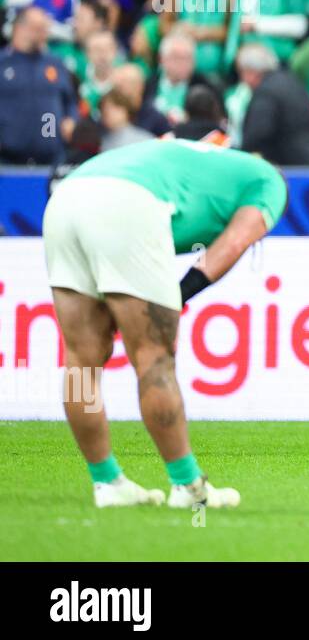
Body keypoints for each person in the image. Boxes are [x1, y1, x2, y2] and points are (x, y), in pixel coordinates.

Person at [42, 138, 287, 509]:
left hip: (67, 195)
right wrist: (179, 294)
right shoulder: (270, 180)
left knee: (81, 359)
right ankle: (189, 488)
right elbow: (233, 244)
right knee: (153, 356)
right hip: (127, 204)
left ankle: (107, 482)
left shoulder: (202, 162)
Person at [0, 7, 79, 165]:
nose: (44, 34)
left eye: (45, 28)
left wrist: (71, 119)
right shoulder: (3, 63)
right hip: (7, 159)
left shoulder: (55, 64)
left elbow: (70, 101)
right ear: (19, 28)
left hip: (51, 158)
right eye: (38, 29)